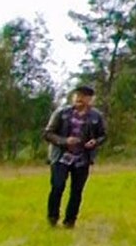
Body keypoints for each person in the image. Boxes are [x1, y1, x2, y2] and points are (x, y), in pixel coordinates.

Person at [41, 84, 108, 228]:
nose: (80, 99)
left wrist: (95, 142)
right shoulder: (61, 113)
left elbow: (103, 135)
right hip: (60, 157)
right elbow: (47, 133)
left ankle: (70, 221)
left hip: (82, 159)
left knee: (77, 191)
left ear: (90, 100)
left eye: (84, 97)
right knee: (57, 187)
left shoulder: (97, 116)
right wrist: (64, 141)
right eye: (77, 96)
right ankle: (52, 218)